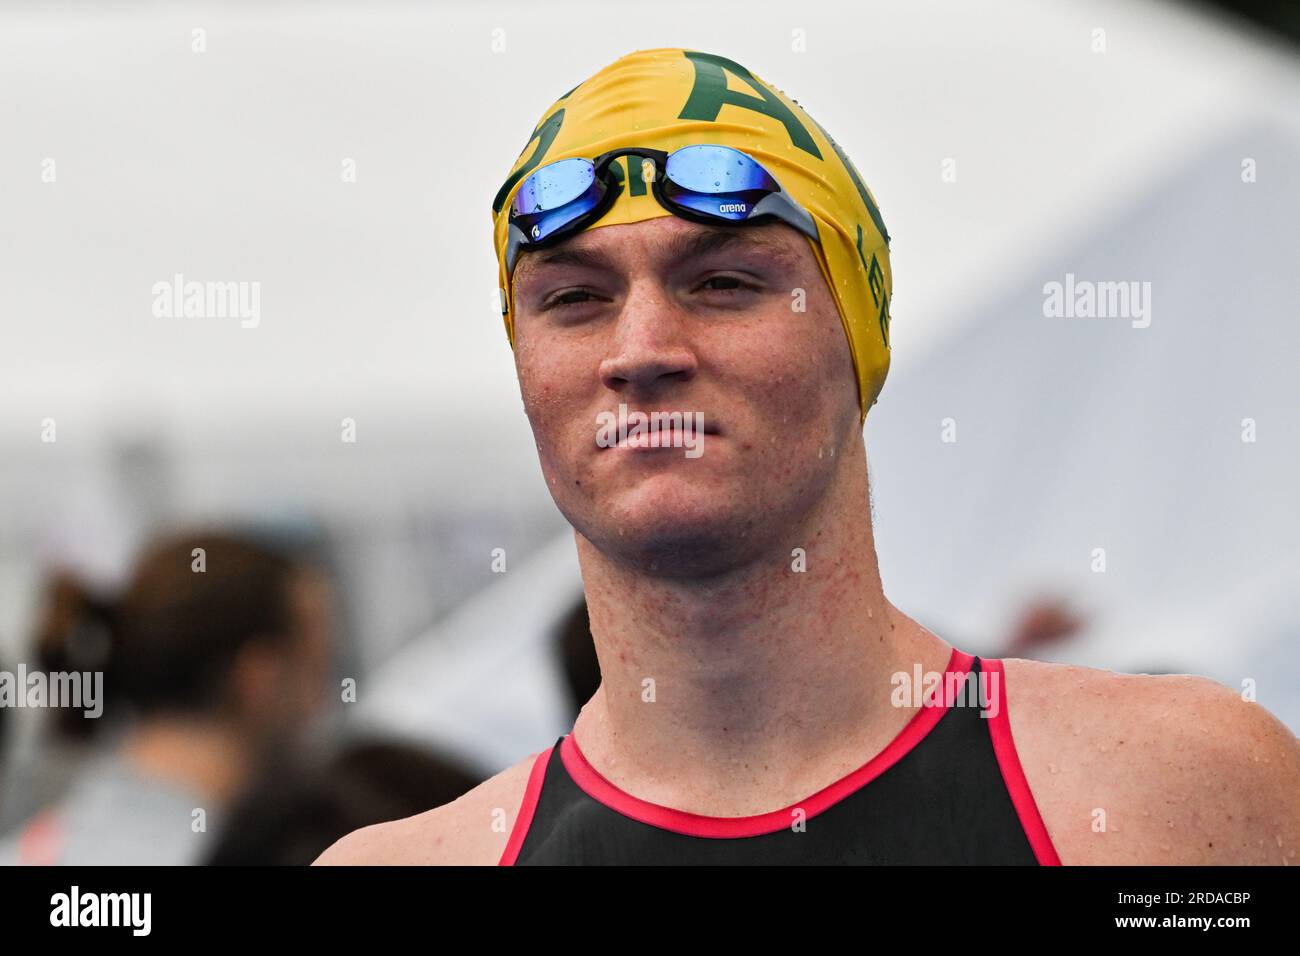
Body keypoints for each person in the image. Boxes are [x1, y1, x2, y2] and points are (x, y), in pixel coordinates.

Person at [316, 48, 1300, 865]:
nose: (641, 351)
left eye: (727, 280)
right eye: (574, 298)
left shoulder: (1170, 796)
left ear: (855, 335)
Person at [1, 529, 333, 864]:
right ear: (259, 677)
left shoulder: (32, 848)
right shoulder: (235, 853)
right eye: (317, 669)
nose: (318, 705)